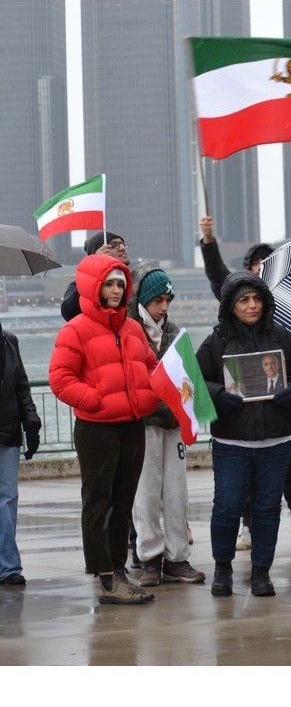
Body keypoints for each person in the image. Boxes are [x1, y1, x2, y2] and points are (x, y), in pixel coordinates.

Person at [196, 272, 291, 598]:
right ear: (230, 306)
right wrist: (217, 393)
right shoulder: (216, 341)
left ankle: (262, 571)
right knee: (226, 506)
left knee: (267, 508)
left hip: (277, 440)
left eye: (256, 299)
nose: (251, 306)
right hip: (231, 441)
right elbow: (194, 381)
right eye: (243, 301)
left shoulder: (282, 337)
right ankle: (222, 568)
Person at [49, 254, 160, 605]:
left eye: (120, 284)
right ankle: (105, 576)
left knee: (123, 501)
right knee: (99, 501)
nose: (115, 290)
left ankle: (119, 568)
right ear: (94, 287)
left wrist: (155, 390)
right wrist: (94, 398)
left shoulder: (132, 328)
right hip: (97, 428)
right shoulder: (76, 329)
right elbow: (60, 378)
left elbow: (151, 366)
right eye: (109, 284)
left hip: (132, 425)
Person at [127, 265, 205, 587]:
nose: (164, 307)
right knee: (144, 494)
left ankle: (177, 557)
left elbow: (188, 378)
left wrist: (192, 417)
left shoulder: (175, 333)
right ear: (144, 301)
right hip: (143, 423)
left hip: (172, 424)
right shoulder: (131, 332)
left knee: (177, 492)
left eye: (167, 300)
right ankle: (149, 558)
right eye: (158, 300)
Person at [1, 320, 41, 587]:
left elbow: (22, 387)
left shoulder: (9, 342)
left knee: (7, 499)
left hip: (8, 432)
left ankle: (8, 565)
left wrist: (32, 424)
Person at [60, 231, 130, 321]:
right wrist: (95, 265)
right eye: (113, 245)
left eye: (123, 244)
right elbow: (69, 312)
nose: (122, 248)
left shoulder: (134, 278)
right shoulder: (78, 286)